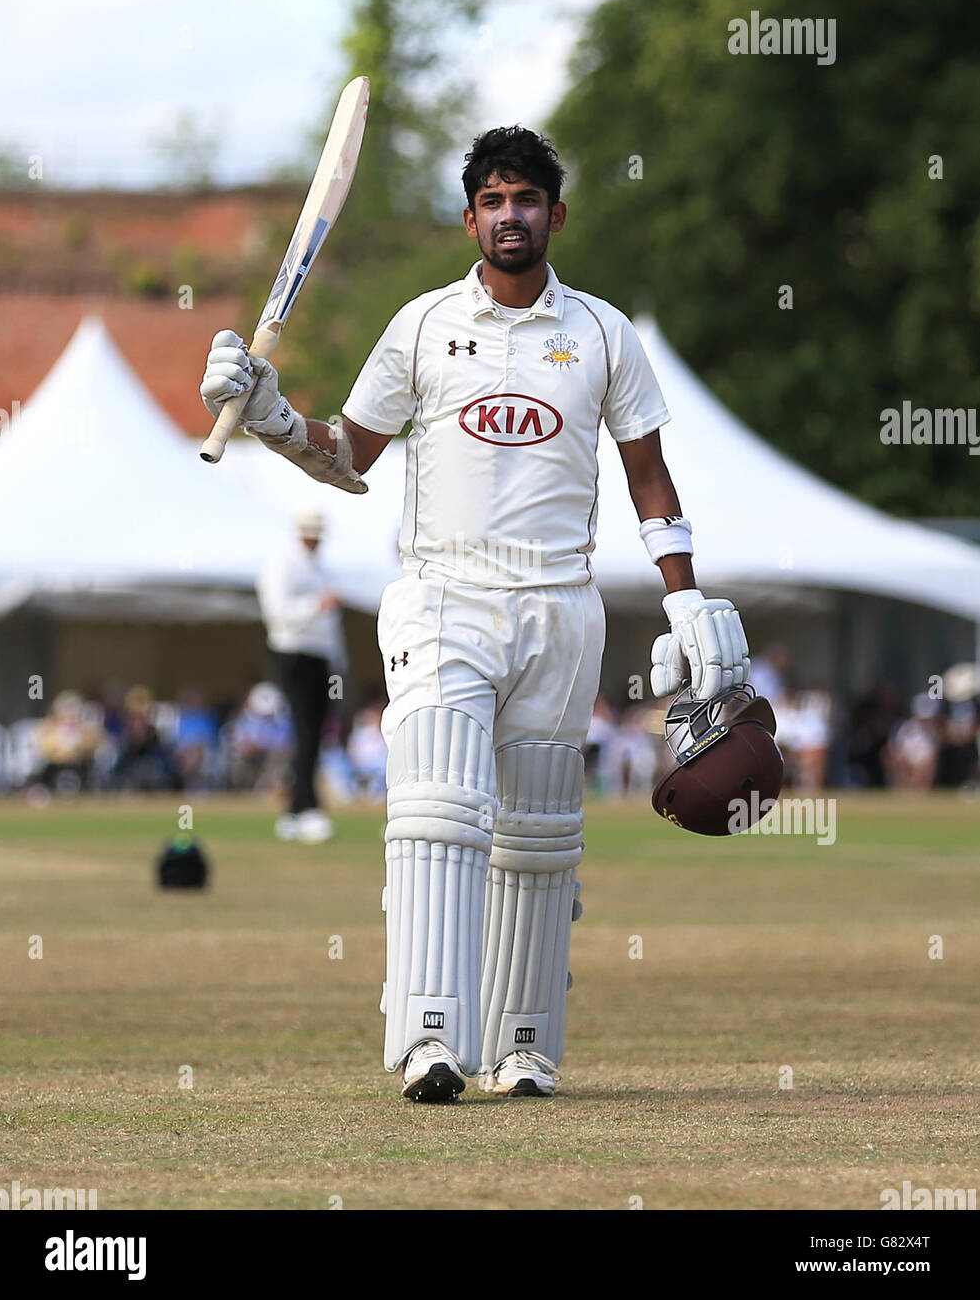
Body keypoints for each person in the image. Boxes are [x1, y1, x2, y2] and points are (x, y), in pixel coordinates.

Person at [200, 126, 750, 1103]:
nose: (509, 215)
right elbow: (350, 458)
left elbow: (648, 476)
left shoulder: (603, 334)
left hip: (558, 603)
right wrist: (275, 416)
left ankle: (526, 1045)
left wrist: (687, 596)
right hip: (443, 593)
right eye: (492, 200)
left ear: (554, 214)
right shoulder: (418, 327)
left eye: (525, 198)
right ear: (469, 218)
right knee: (437, 809)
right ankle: (429, 1040)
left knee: (538, 835)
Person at [256, 510, 345, 842]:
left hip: (321, 658)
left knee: (317, 732)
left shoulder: (322, 568)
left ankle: (297, 809)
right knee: (305, 730)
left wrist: (338, 662)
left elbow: (333, 625)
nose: (315, 539)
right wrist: (316, 605)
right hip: (293, 654)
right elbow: (277, 614)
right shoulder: (283, 564)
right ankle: (306, 806)